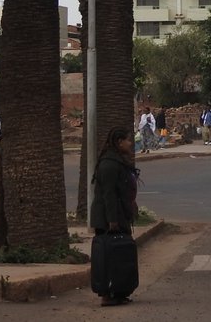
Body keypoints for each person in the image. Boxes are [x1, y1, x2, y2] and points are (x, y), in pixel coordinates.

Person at [90, 127, 140, 306]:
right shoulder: (109, 163)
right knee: (109, 256)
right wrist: (112, 220)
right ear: (119, 142)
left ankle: (118, 291)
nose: (130, 143)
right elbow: (108, 194)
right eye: (128, 140)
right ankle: (107, 293)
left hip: (118, 213)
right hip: (108, 218)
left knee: (118, 255)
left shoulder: (117, 160)